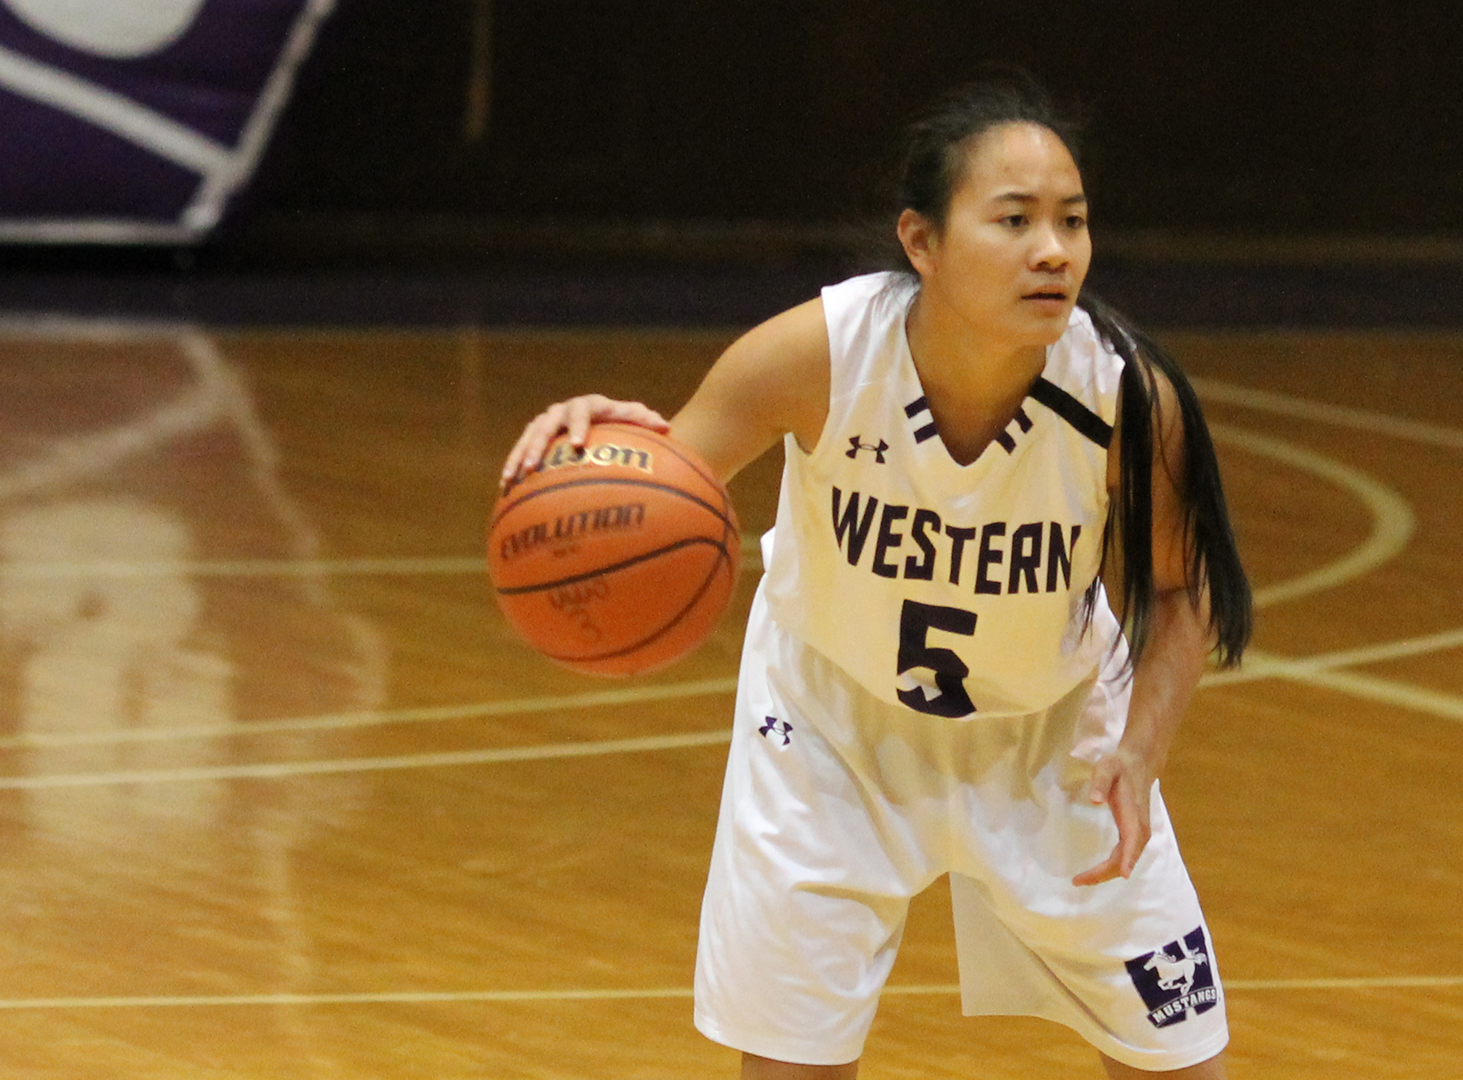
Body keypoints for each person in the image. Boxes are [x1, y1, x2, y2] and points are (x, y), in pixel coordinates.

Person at [499, 76, 1252, 1079]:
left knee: (1183, 1063)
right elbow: (665, 478)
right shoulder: (818, 355)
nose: (1054, 250)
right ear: (922, 242)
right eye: (1015, 219)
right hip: (830, 732)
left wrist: (1142, 750)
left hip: (1054, 735)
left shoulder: (1124, 397)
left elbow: (1179, 587)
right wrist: (594, 457)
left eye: (1072, 221)